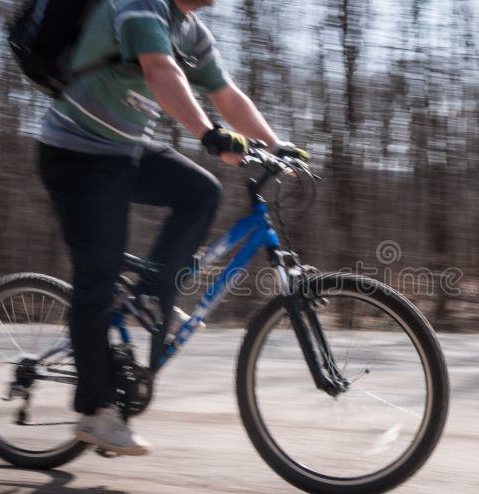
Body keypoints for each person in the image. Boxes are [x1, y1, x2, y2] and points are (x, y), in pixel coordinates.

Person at [37, 0, 308, 456]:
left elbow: (226, 94)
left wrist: (276, 146)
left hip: (123, 151)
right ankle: (96, 411)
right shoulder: (141, 6)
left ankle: (150, 292)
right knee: (97, 277)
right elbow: (162, 72)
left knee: (200, 192)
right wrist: (208, 134)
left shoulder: (192, 31)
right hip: (76, 153)